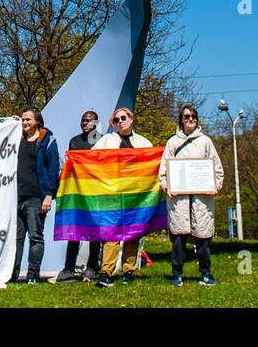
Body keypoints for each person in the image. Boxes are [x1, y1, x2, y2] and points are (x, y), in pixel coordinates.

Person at [158, 105, 224, 286]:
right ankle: (177, 273)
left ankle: (205, 272)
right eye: (186, 116)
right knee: (178, 238)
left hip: (202, 198)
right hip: (178, 199)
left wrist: (215, 186)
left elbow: (216, 168)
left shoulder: (205, 142)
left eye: (193, 116)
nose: (190, 119)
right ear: (181, 119)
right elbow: (163, 170)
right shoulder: (172, 142)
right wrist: (167, 186)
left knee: (203, 237)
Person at [93, 107, 153, 287]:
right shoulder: (107, 140)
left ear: (131, 119)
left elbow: (153, 163)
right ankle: (106, 271)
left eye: (123, 118)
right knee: (111, 233)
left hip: (135, 195)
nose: (120, 122)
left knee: (132, 234)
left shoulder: (143, 142)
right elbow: (92, 158)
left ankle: (128, 271)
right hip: (113, 194)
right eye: (116, 120)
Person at [11, 107, 59, 284]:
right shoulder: (17, 137)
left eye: (28, 120)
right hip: (16, 196)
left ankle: (32, 274)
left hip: (36, 197)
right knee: (16, 239)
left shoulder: (47, 141)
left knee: (35, 236)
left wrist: (48, 195)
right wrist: (12, 122)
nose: (25, 123)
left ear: (38, 121)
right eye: (23, 120)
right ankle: (12, 274)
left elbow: (53, 169)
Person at [56, 109, 103, 282]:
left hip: (96, 192)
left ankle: (92, 267)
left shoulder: (103, 141)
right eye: (83, 121)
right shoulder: (74, 141)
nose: (85, 123)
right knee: (74, 231)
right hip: (77, 192)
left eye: (89, 121)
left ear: (96, 123)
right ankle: (69, 267)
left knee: (95, 232)